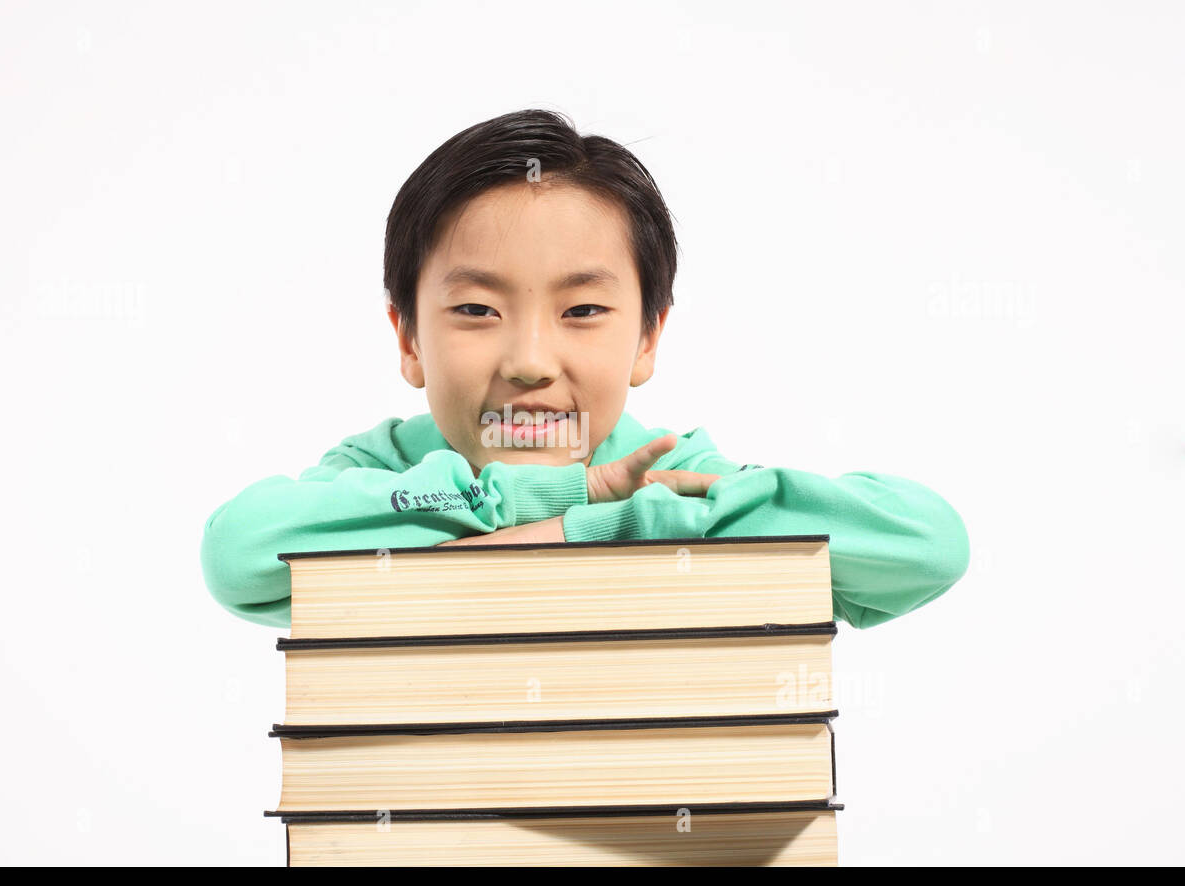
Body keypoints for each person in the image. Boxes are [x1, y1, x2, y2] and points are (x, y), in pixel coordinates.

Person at [200, 109, 969, 631]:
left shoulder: (670, 476)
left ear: (647, 339)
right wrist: (574, 496)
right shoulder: (380, 470)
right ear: (407, 338)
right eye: (476, 311)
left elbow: (928, 545)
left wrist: (610, 521)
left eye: (582, 312)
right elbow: (238, 557)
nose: (530, 362)